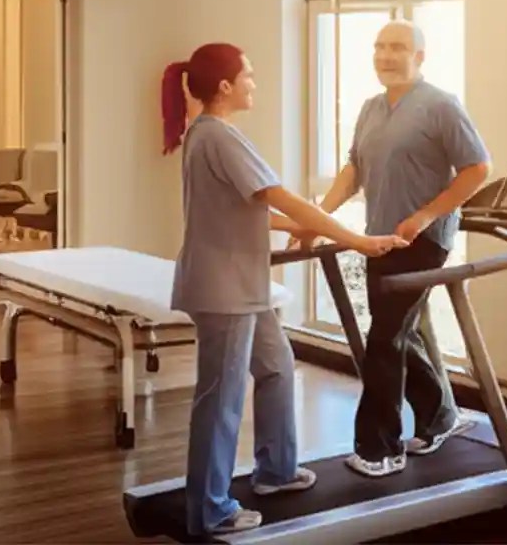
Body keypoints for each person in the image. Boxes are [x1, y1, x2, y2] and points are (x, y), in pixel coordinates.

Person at [162, 42, 408, 535]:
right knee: (221, 398)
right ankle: (209, 510)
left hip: (243, 283)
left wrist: (301, 229)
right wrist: (358, 239)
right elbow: (285, 199)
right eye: (248, 75)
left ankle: (276, 470)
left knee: (277, 367)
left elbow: (246, 209)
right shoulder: (220, 137)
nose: (255, 82)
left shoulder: (209, 136)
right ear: (226, 86)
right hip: (224, 289)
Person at [296, 20, 491, 477]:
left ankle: (380, 448)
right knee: (403, 332)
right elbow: (354, 168)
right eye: (379, 47)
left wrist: (426, 215)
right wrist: (316, 219)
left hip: (422, 241)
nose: (386, 55)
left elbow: (477, 168)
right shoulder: (371, 108)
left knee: (383, 340)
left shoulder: (441, 106)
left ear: (419, 56)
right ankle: (441, 415)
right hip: (379, 239)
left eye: (398, 47)